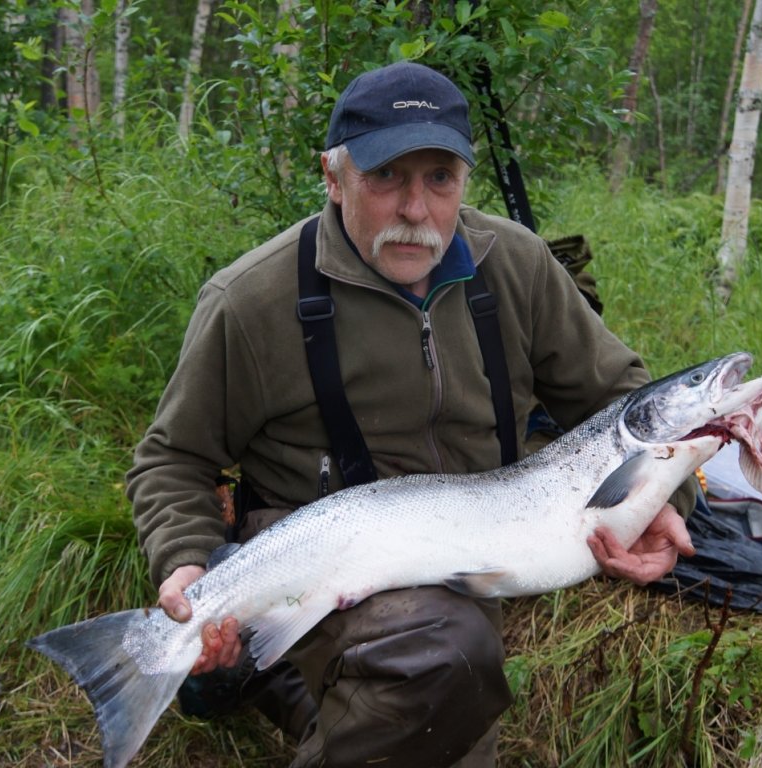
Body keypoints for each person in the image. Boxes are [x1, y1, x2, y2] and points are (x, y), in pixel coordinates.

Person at [126, 61, 696, 768]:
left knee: (440, 691)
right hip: (311, 556)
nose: (415, 209)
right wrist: (185, 560)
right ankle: (273, 662)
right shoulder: (249, 302)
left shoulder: (516, 265)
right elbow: (171, 458)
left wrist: (662, 501)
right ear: (334, 179)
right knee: (445, 658)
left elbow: (625, 406)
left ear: (465, 181)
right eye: (386, 177)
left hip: (466, 560)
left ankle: (275, 682)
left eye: (439, 179)